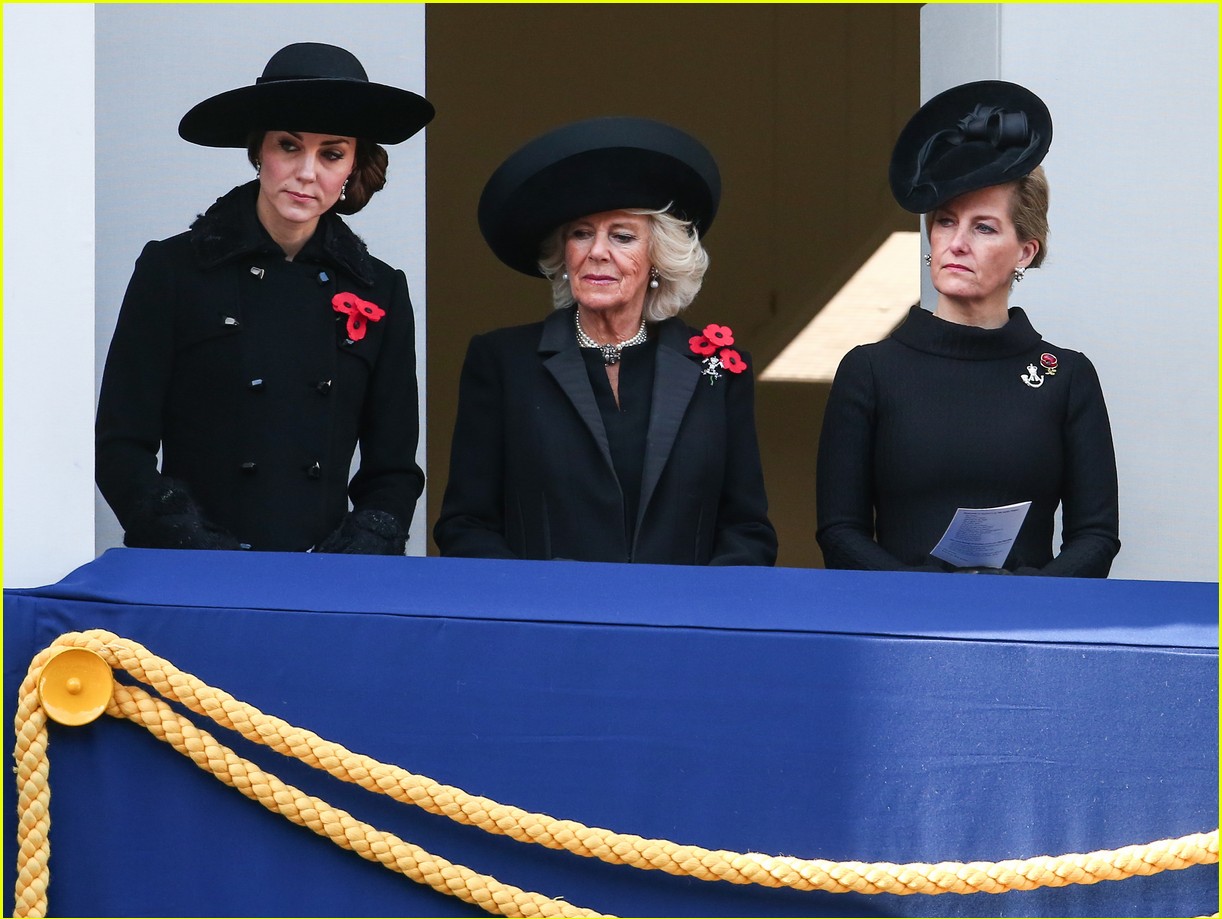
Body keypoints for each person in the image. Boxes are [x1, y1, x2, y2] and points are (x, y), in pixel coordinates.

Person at [96, 43, 433, 553]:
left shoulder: (380, 290)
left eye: (332, 153)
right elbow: (122, 447)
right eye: (289, 146)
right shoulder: (172, 270)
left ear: (351, 168)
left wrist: (351, 559)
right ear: (259, 152)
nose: (307, 172)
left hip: (321, 581)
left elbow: (393, 470)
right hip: (191, 571)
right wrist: (196, 547)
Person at [434, 117, 777, 565]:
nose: (597, 251)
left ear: (657, 258)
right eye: (581, 233)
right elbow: (467, 525)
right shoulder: (503, 362)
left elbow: (747, 530)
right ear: (564, 255)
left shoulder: (716, 369)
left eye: (622, 235)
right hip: (547, 624)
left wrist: (698, 613)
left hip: (678, 626)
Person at [816, 80, 1119, 576]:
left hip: (1027, 632)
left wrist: (1027, 598)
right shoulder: (870, 370)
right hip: (901, 627)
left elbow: (1097, 536)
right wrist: (926, 595)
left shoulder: (1066, 377)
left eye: (983, 227)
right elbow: (839, 532)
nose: (956, 242)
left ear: (1026, 251)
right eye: (944, 221)